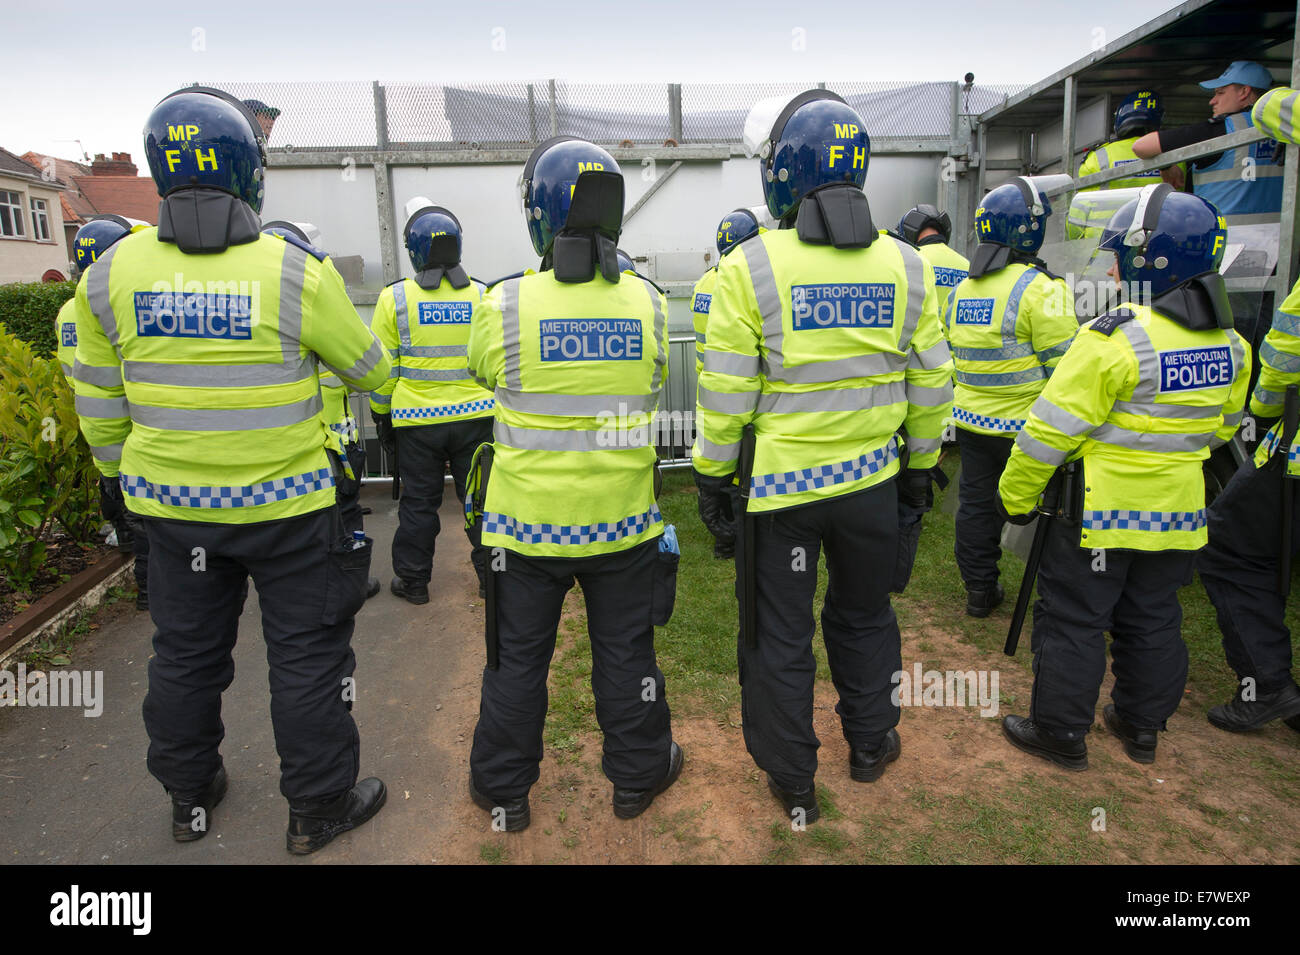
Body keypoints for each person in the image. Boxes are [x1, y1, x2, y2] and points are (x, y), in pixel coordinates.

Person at [72, 86, 390, 853]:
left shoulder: (107, 277)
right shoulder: (294, 273)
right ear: (252, 172)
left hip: (174, 514)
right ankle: (316, 809)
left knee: (184, 655)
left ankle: (189, 798)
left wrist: (127, 481)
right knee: (308, 659)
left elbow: (98, 402)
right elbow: (373, 372)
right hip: (290, 511)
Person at [693, 90, 953, 823]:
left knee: (781, 635)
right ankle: (872, 744)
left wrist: (712, 476)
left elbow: (726, 394)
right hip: (871, 486)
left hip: (783, 499)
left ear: (783, 173)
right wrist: (920, 469)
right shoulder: (909, 266)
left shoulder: (751, 267)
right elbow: (932, 380)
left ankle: (793, 775)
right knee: (865, 616)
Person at [466, 137, 680, 832]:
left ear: (539, 215)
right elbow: (649, 381)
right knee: (627, 657)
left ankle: (504, 791)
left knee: (516, 664)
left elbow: (482, 372)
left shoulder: (501, 305)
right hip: (621, 526)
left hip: (523, 531)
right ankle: (637, 778)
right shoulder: (649, 304)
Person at [997, 184, 1250, 769]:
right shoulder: (1232, 344)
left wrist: (1015, 498)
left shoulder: (1113, 336)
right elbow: (1221, 429)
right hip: (1180, 510)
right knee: (1154, 617)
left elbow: (1048, 433)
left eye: (1120, 254)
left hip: (1099, 512)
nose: (1112, 266)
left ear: (1148, 257)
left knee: (1076, 619)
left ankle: (1059, 732)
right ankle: (1141, 727)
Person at [944, 178, 1077, 616]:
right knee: (1053, 513)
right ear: (1030, 230)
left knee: (977, 507)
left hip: (972, 422)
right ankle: (1059, 598)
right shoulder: (1043, 289)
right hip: (1030, 429)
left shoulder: (964, 290)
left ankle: (978, 589)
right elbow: (1067, 371)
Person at [369, 200, 495, 604]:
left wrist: (381, 416)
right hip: (477, 418)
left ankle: (414, 581)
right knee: (481, 500)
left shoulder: (395, 299)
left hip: (417, 422)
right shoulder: (483, 294)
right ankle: (493, 579)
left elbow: (383, 369)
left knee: (419, 506)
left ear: (414, 250)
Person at [1196, 275, 1300, 733]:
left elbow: (1281, 362)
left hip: (1292, 459)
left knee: (1231, 549)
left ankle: (1267, 685)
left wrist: (1262, 412)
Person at [262, 220, 381, 600]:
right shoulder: (305, 287)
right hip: (327, 440)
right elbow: (370, 368)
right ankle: (349, 583)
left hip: (278, 449)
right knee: (343, 512)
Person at [61, 215, 152, 609]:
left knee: (133, 521)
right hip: (137, 431)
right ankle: (151, 590)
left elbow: (84, 380)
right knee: (149, 526)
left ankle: (148, 589)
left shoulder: (71, 308)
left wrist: (110, 468)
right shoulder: (130, 295)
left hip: (104, 433)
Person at [692, 208, 761, 560]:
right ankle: (735, 537)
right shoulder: (744, 282)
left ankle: (721, 538)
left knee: (714, 464)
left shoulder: (704, 283)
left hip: (709, 387)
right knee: (738, 471)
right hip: (740, 390)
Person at [1132, 61, 1280, 226]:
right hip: (1280, 241)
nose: (1212, 101)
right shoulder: (1284, 129)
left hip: (1229, 243)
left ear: (1244, 92)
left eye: (1220, 93)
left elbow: (1141, 146)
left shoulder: (1219, 129)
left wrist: (1167, 166)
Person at [1069, 91, 1184, 237]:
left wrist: (1075, 247)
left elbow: (1078, 213)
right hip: (1157, 243)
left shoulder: (1097, 156)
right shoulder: (1177, 155)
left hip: (1104, 247)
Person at [898, 203, 969, 315]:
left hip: (923, 332)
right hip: (955, 332)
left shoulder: (908, 262)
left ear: (908, 231)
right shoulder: (967, 266)